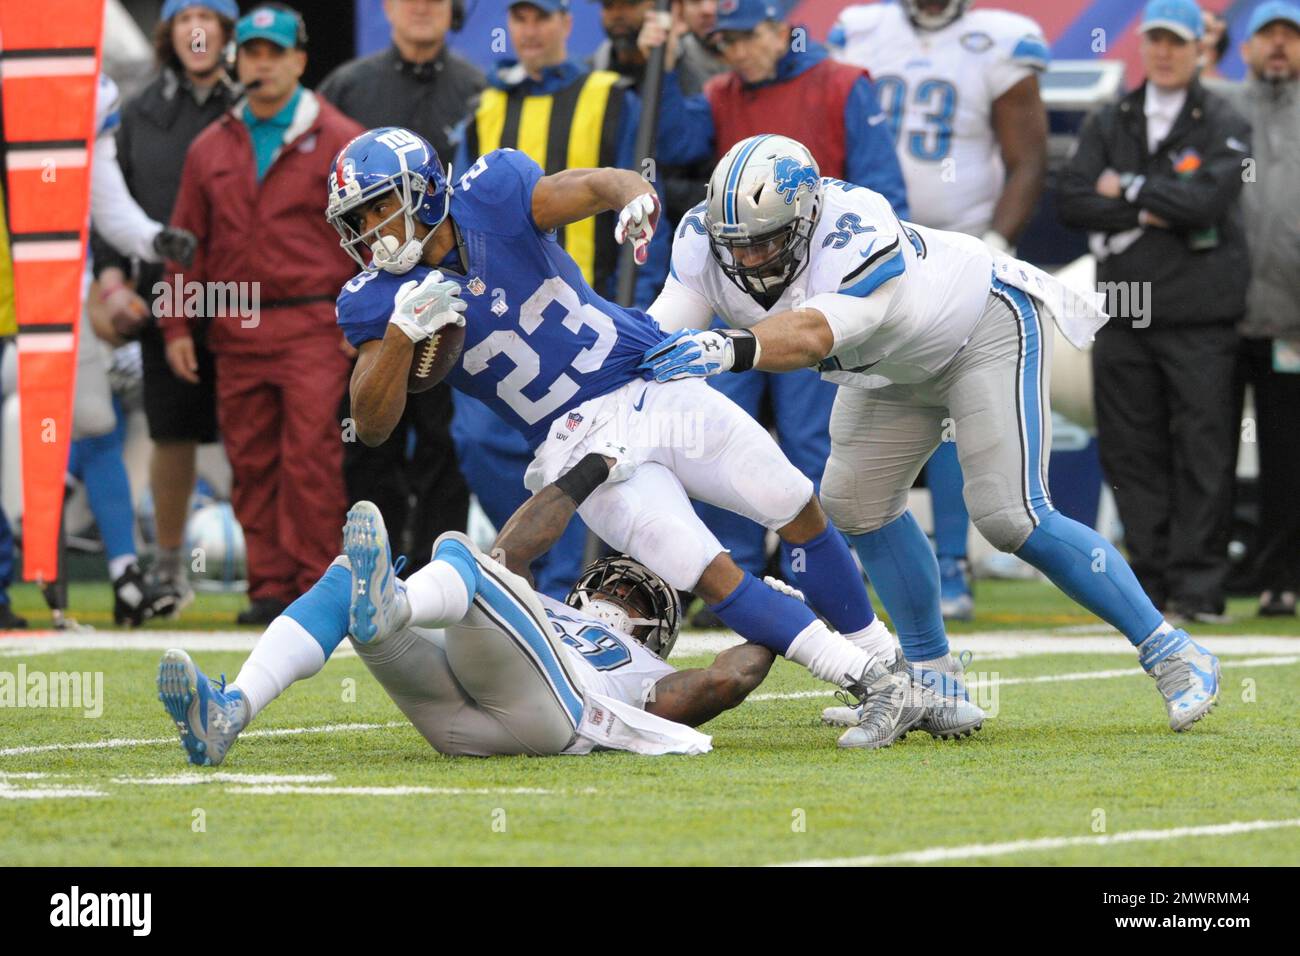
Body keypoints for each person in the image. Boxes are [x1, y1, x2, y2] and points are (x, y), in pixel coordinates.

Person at [328, 127, 983, 747]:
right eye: (355, 220)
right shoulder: (375, 299)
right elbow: (374, 423)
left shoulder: (493, 193)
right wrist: (398, 337)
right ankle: (869, 680)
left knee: (793, 499)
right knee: (708, 567)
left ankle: (890, 665)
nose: (370, 232)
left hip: (647, 372)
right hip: (578, 438)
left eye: (379, 206)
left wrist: (634, 196)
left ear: (426, 190)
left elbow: (590, 185)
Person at [641, 133, 1221, 733]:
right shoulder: (701, 239)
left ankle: (1173, 652)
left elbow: (817, 333)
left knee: (1011, 516)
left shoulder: (857, 226)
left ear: (808, 216)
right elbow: (665, 324)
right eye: (738, 245)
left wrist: (727, 347)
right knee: (856, 504)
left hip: (980, 326)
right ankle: (932, 679)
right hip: (888, 365)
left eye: (766, 242)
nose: (750, 259)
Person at [156, 457, 968, 762]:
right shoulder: (542, 593)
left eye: (638, 594)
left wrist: (774, 627)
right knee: (350, 578)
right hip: (461, 718)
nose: (621, 593)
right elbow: (518, 548)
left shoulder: (648, 668)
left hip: (554, 712)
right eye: (617, 582)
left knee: (462, 558)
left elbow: (712, 688)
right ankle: (231, 712)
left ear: (657, 625)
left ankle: (395, 602)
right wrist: (587, 471)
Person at [639, 0, 909, 606]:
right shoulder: (722, 90)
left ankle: (819, 574)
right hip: (741, 284)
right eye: (723, 41)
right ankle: (731, 578)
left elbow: (882, 194)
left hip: (821, 293)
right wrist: (658, 53)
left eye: (743, 38)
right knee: (719, 432)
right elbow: (669, 137)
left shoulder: (841, 83)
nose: (733, 52)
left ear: (780, 30)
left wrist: (855, 287)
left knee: (812, 442)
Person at [830, 0, 1051, 620]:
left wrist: (1000, 244)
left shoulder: (999, 40)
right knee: (862, 403)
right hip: (871, 252)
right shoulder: (862, 29)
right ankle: (859, 562)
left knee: (959, 413)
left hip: (960, 255)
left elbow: (1029, 157)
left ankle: (953, 560)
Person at [161, 5, 365, 625]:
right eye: (253, 52)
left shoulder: (341, 141)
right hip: (235, 325)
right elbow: (184, 242)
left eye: (275, 52)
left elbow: (375, 241)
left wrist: (365, 325)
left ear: (301, 61)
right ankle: (268, 589)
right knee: (250, 462)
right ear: (237, 60)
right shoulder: (209, 146)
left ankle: (314, 587)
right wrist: (175, 323)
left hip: (313, 327)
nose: (263, 63)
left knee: (310, 459)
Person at [1056, 0, 1251, 624]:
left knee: (1204, 449)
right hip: (1124, 311)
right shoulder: (1112, 115)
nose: (1164, 52)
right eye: (1156, 40)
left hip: (1201, 314)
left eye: (1177, 41)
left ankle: (1199, 587)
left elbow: (1210, 202)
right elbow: (1076, 199)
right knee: (1131, 449)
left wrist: (1132, 188)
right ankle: (1151, 585)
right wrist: (1155, 207)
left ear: (1201, 47)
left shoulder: (1223, 114)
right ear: (1142, 46)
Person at [318, 0, 483, 575]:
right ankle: (375, 566)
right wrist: (353, 301)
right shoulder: (348, 86)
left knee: (448, 443)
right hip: (380, 291)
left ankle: (441, 567)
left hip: (455, 296)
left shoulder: (475, 88)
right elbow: (334, 212)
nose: (419, 6)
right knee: (369, 437)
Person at [90, 0, 239, 615]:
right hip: (165, 295)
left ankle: (280, 570)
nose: (196, 30)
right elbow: (105, 207)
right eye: (184, 19)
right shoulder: (136, 109)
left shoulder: (255, 106)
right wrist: (111, 284)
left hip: (245, 299)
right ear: (167, 33)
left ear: (226, 33)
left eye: (209, 18)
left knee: (253, 434)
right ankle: (172, 572)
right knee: (172, 434)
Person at [1206, 1, 1300, 617]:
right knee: (1203, 454)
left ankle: (1282, 579)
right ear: (1244, 48)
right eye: (1267, 35)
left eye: (1290, 36)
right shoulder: (1217, 105)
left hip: (1293, 317)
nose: (1278, 46)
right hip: (1214, 316)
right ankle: (1201, 581)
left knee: (1289, 455)